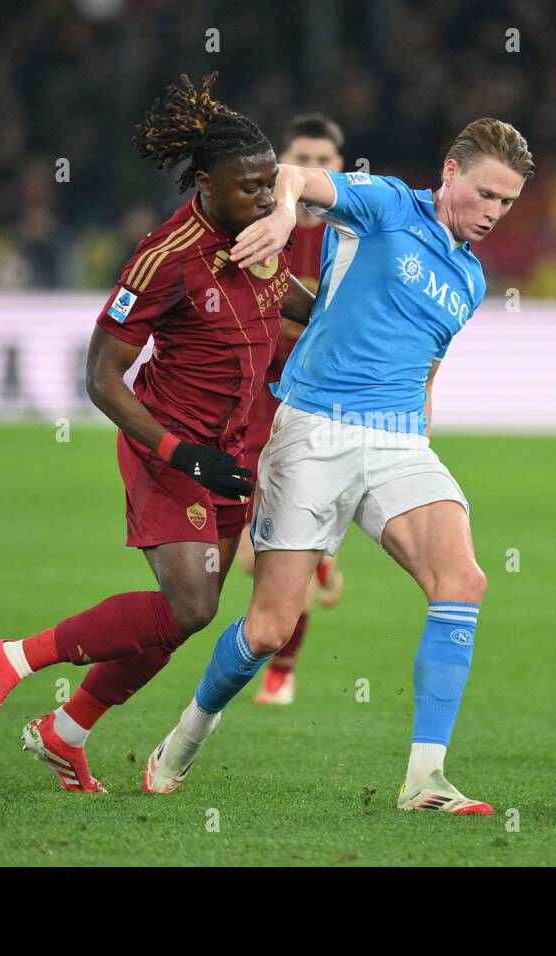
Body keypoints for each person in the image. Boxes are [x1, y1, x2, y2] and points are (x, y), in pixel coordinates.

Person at [142, 117, 534, 814]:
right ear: (450, 172)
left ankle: (425, 779)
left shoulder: (470, 279)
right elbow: (297, 177)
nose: (494, 213)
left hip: (400, 443)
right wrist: (283, 212)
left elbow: (426, 370)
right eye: (486, 194)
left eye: (507, 202)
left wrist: (419, 439)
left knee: (463, 579)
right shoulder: (386, 204)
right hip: (315, 431)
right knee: (269, 629)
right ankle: (188, 733)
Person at [0, 73, 313, 792]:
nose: (264, 199)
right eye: (249, 187)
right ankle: (13, 657)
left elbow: (295, 302)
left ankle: (66, 732)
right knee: (191, 604)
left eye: (269, 183)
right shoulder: (164, 257)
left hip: (230, 453)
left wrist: (357, 309)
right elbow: (101, 377)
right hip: (169, 446)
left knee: (184, 617)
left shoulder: (263, 235)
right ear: (205, 185)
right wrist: (182, 454)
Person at [239, 113, 348, 707]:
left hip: (316, 409)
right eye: (301, 157)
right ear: (282, 162)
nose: (311, 169)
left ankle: (282, 668)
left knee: (279, 554)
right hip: (253, 407)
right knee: (248, 559)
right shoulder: (258, 228)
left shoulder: (352, 237)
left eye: (323, 160)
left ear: (339, 168)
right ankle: (321, 558)